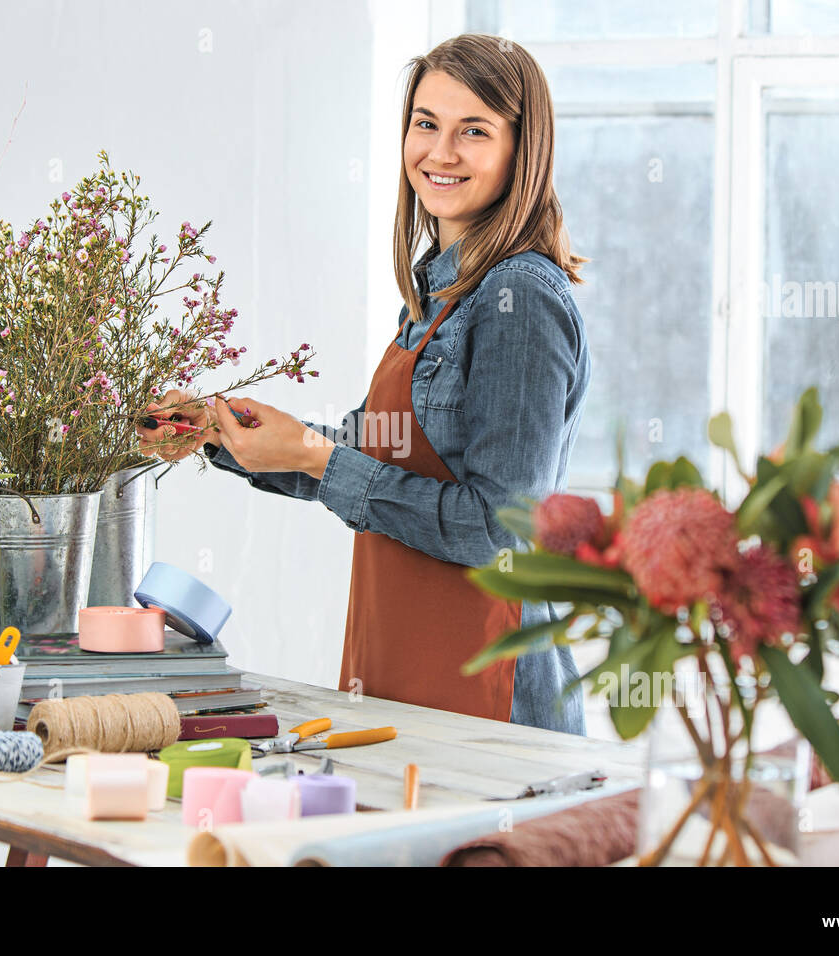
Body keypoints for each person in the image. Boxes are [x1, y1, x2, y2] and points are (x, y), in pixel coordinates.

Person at [138, 33, 591, 734]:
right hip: (403, 670)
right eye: (426, 123)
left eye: (473, 131)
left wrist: (317, 458)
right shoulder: (435, 295)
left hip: (495, 698)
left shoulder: (519, 298)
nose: (440, 153)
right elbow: (377, 456)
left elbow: (497, 528)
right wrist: (221, 432)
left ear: (520, 150)